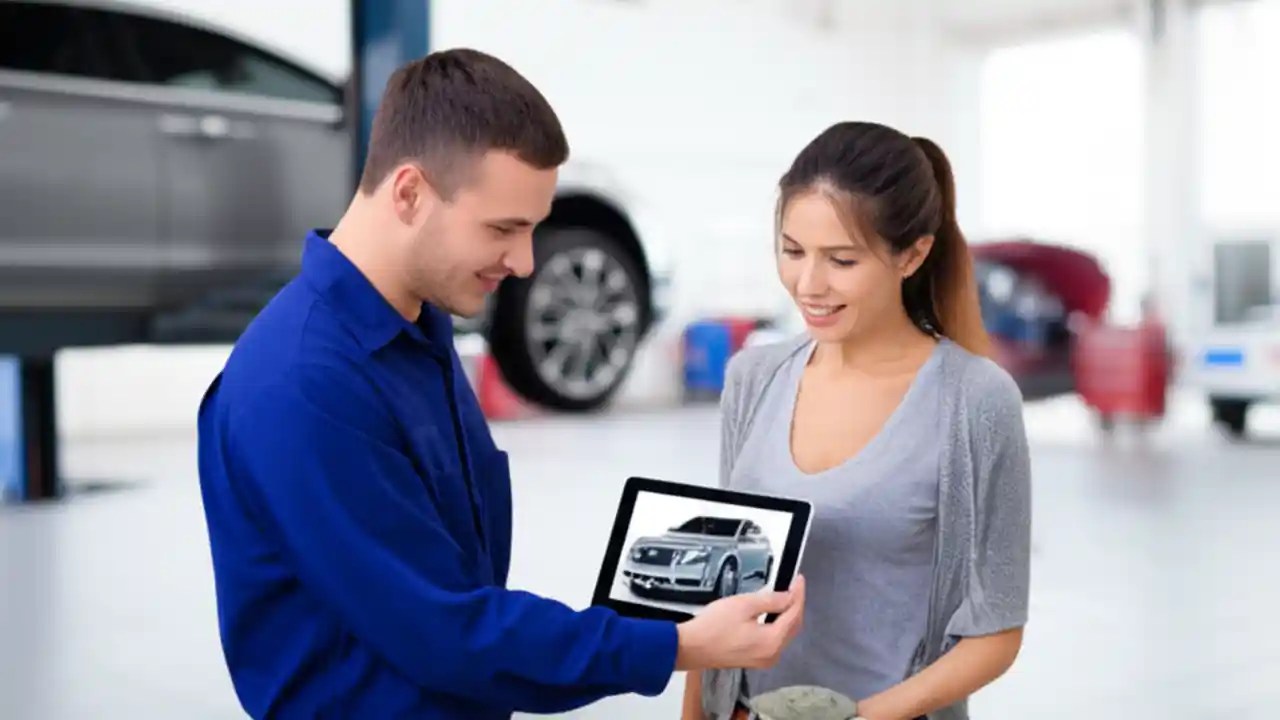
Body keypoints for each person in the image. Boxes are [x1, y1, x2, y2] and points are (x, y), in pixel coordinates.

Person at [195, 48, 805, 720]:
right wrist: (675, 643)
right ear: (408, 193)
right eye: (503, 229)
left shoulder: (416, 325)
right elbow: (448, 632)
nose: (523, 262)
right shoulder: (306, 384)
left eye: (533, 228)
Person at [683, 121, 1031, 720]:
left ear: (914, 254)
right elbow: (718, 594)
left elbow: (996, 633)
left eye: (841, 260)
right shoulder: (753, 378)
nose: (808, 285)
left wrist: (858, 719)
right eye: (792, 252)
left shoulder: (975, 400)